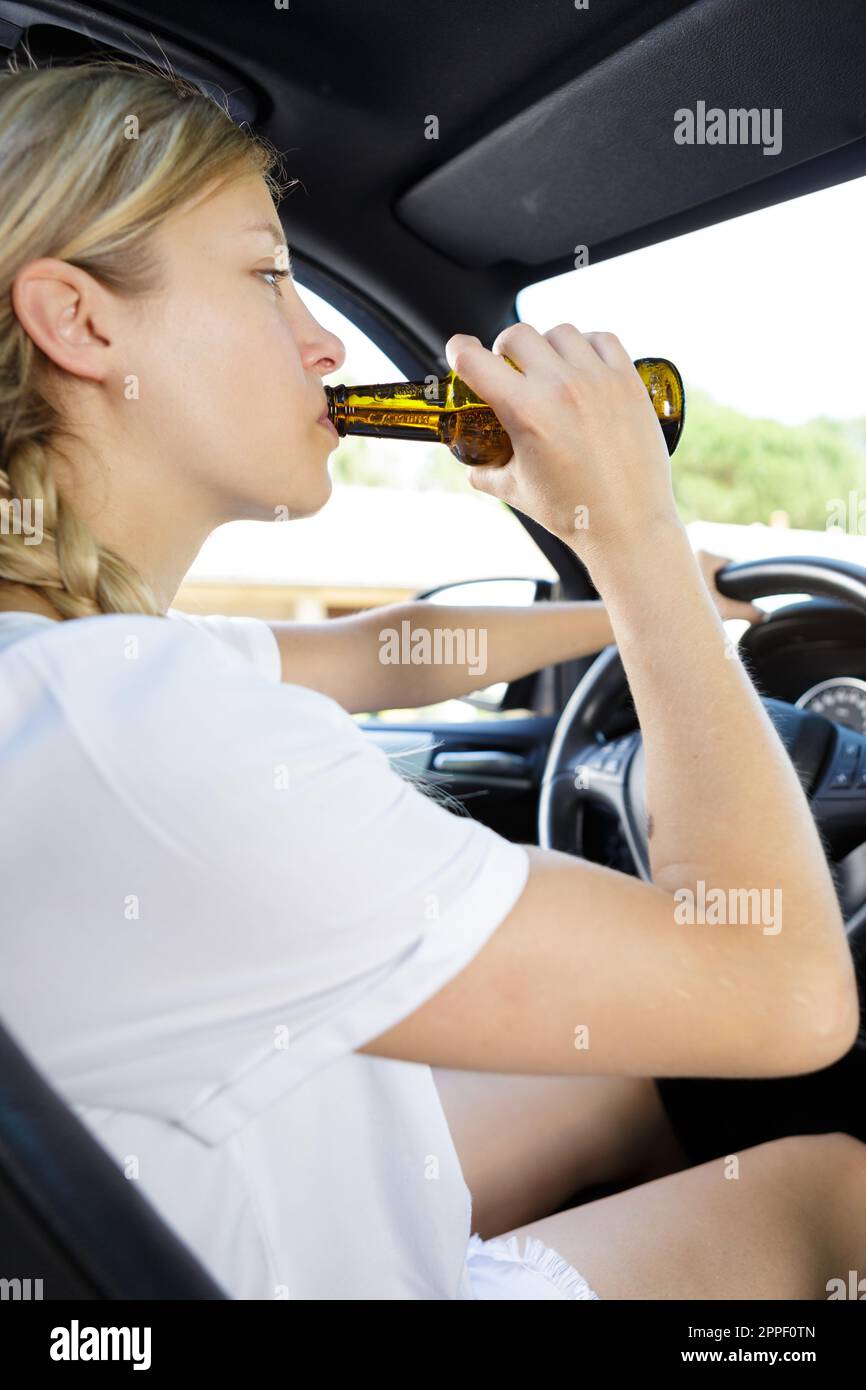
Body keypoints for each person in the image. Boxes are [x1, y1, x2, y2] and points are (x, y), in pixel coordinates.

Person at [0, 55, 863, 1302]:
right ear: (80, 321)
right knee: (827, 1193)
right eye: (265, 276)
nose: (326, 343)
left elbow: (382, 654)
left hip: (196, 1219)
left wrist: (668, 587)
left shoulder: (87, 677)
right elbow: (783, 991)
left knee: (617, 1080)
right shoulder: (154, 732)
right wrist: (639, 543)